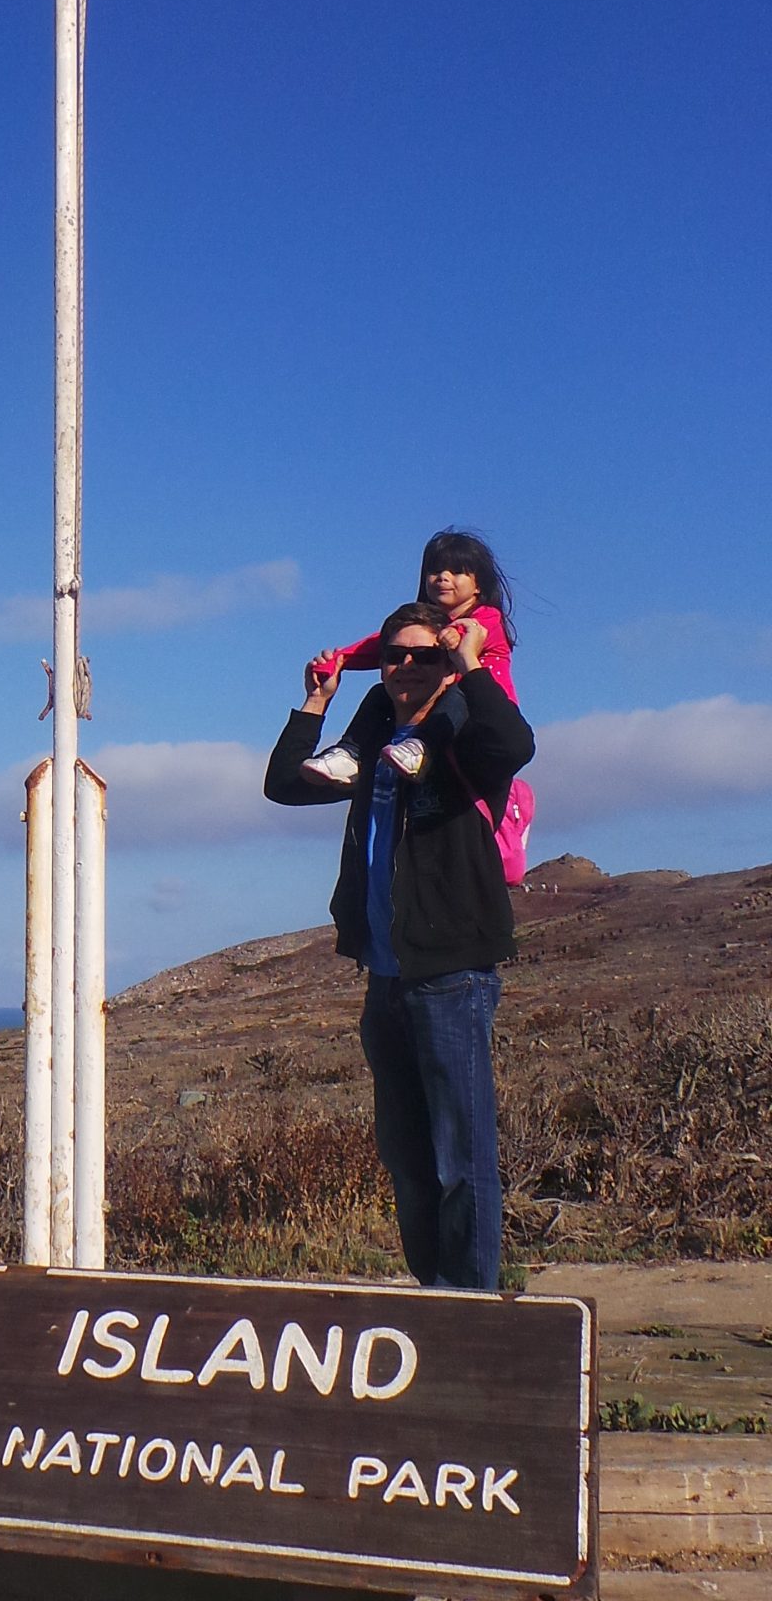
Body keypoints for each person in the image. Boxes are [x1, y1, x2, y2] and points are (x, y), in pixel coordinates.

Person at [264, 600, 535, 1292]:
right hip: (386, 978)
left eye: (425, 655)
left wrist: (472, 665)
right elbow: (284, 785)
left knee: (461, 1158)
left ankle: (468, 1303)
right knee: (409, 1160)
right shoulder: (375, 745)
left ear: (447, 663)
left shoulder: (464, 738)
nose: (408, 666)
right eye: (396, 655)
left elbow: (514, 746)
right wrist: (316, 703)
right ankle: (432, 1291)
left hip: (452, 974)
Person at [301, 528, 519, 786]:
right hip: (438, 709)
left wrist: (453, 634)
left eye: (457, 571)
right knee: (379, 694)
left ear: (478, 585)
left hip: (482, 714)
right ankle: (349, 753)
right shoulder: (430, 625)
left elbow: (466, 634)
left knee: (457, 694)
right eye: (435, 571)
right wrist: (341, 659)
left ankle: (420, 748)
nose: (443, 577)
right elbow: (379, 644)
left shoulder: (487, 617)